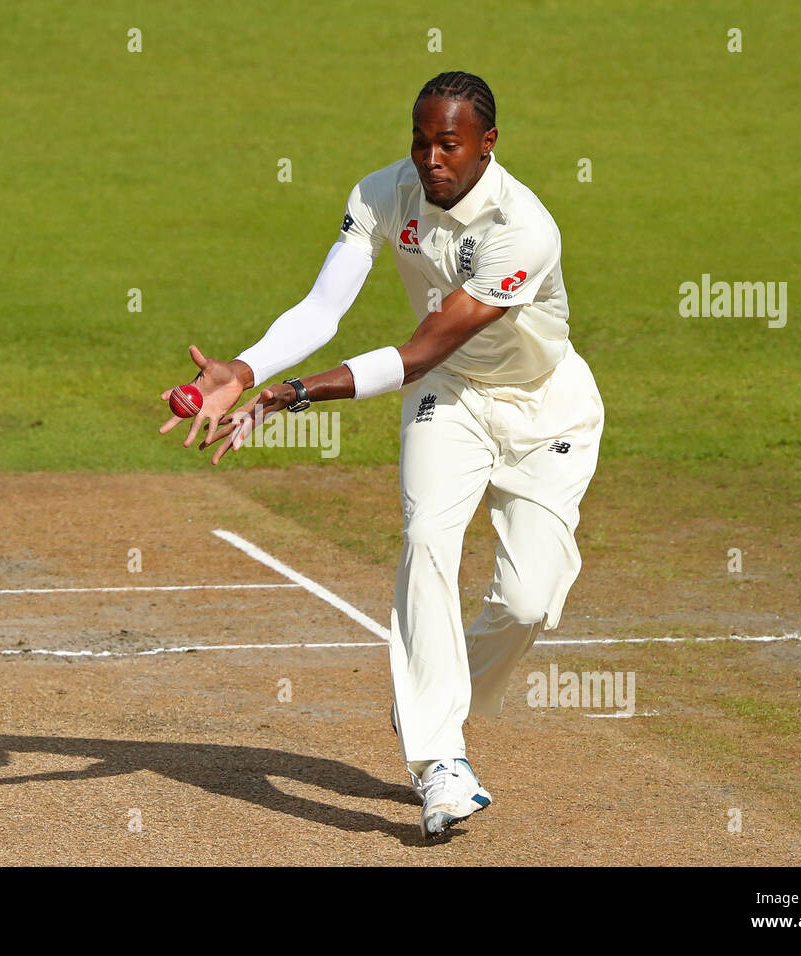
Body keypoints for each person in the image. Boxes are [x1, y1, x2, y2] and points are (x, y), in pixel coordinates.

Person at [160, 71, 603, 839]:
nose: (431, 159)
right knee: (428, 541)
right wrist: (247, 369)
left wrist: (298, 395)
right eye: (421, 141)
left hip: (545, 408)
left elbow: (423, 347)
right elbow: (323, 306)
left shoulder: (523, 227)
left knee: (531, 599)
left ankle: (428, 691)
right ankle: (439, 763)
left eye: (450, 145)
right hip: (451, 401)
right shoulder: (379, 194)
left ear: (488, 146)